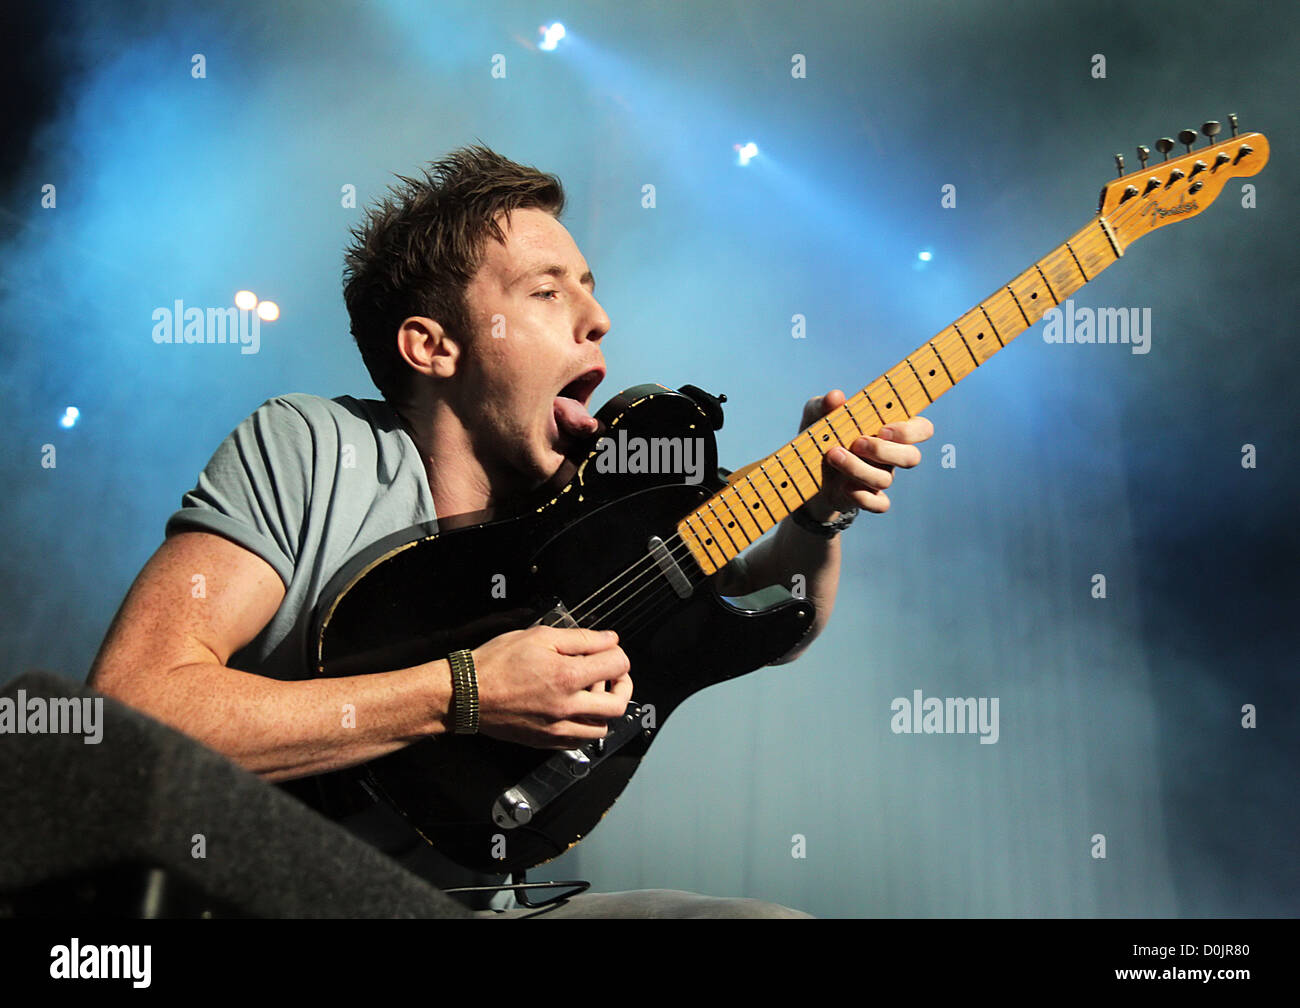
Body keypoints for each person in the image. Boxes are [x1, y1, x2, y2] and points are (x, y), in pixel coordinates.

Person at [88, 146, 933, 917]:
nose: (596, 317)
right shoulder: (310, 446)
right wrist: (463, 693)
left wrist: (822, 512)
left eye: (591, 286)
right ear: (433, 346)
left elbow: (773, 603)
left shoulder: (602, 499)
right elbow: (131, 706)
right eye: (545, 290)